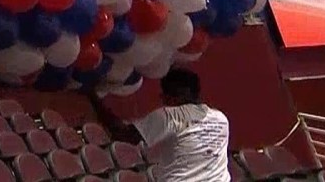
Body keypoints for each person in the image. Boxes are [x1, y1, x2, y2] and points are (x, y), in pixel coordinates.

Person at [86, 68, 231, 182]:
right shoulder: (221, 118)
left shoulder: (169, 116)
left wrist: (93, 98)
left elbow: (123, 134)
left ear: (171, 97)